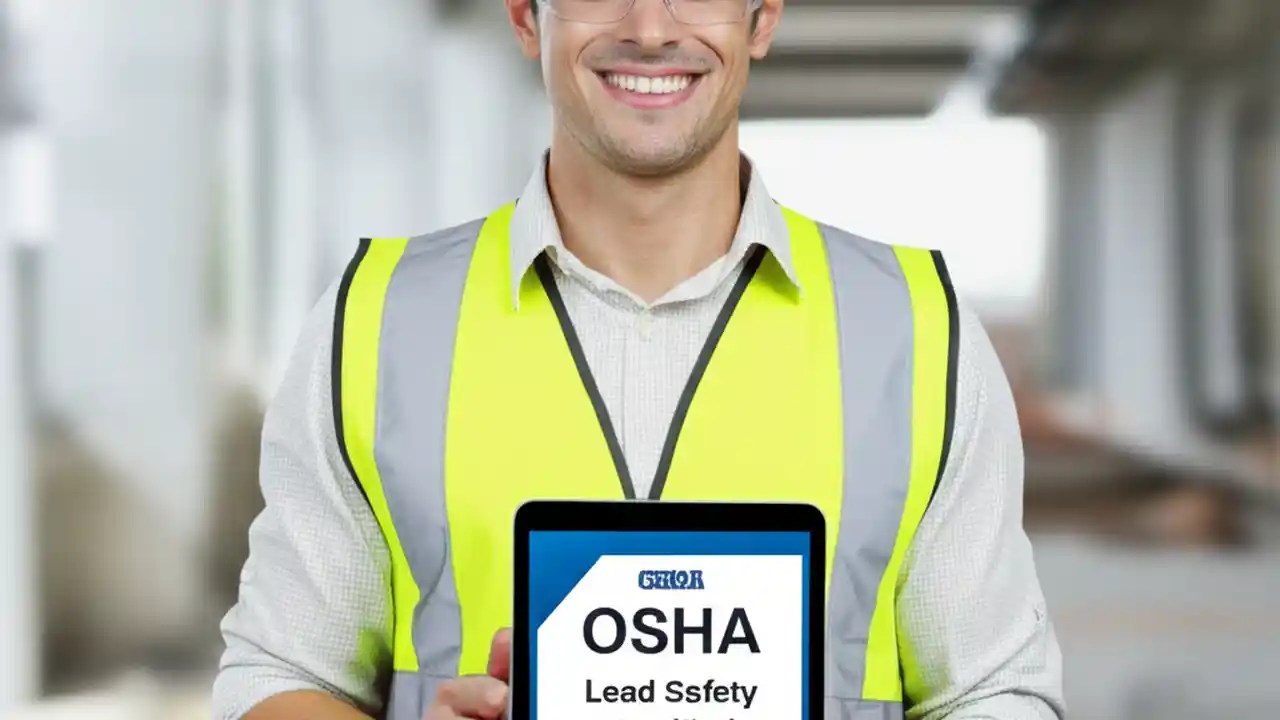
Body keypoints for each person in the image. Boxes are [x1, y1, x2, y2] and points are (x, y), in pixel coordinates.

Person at [213, 0, 1066, 716]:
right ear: (525, 16)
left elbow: (995, 692)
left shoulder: (915, 328)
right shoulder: (382, 318)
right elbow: (279, 673)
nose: (650, 29)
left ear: (763, 16)